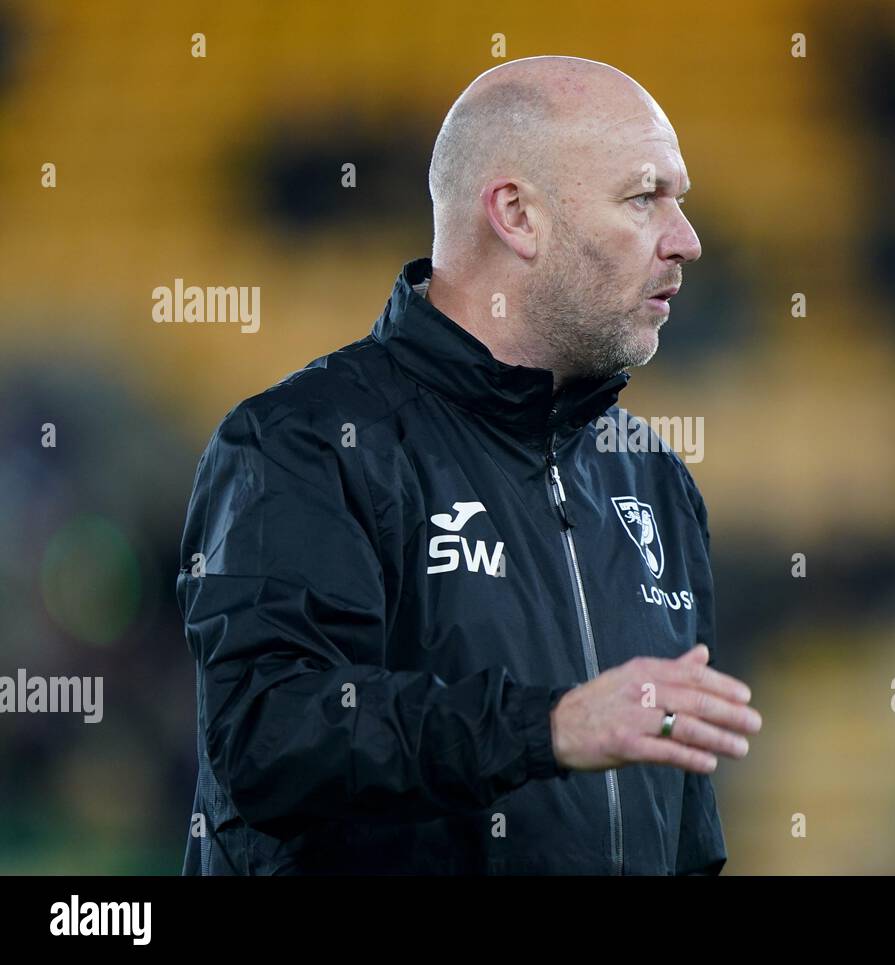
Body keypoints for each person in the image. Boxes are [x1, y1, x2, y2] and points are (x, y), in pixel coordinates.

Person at [176, 55, 762, 875]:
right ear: (517, 215)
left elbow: (684, 832)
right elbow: (268, 736)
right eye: (644, 197)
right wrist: (547, 729)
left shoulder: (653, 480)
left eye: (681, 199)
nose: (687, 240)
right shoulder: (304, 442)